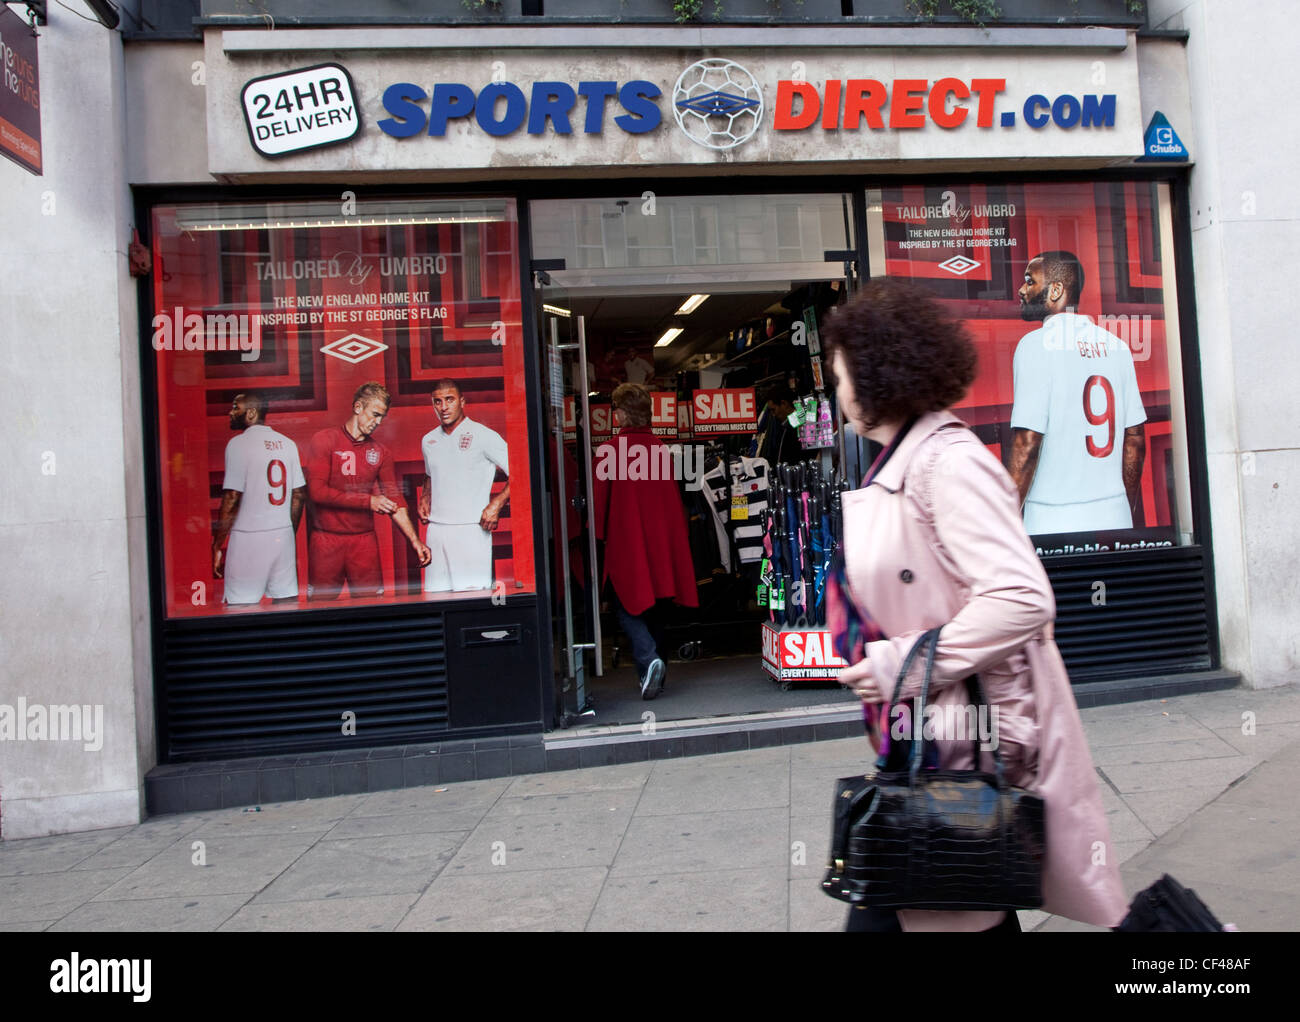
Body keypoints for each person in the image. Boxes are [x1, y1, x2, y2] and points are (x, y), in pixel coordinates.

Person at [823, 277, 1128, 933]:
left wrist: (897, 665)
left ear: (874, 376)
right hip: (925, 750)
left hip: (957, 759)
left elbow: (1021, 596)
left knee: (942, 907)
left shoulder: (945, 464)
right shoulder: (903, 463)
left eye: (841, 372)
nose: (837, 389)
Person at [1007, 250, 1147, 534]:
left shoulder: (1034, 345)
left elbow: (1027, 442)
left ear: (1056, 290)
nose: (1021, 290)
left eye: (1029, 281)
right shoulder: (1117, 346)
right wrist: (1122, 505)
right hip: (1114, 516)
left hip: (1052, 519)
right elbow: (1134, 440)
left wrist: (1003, 524)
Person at [592, 382, 698, 699]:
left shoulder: (609, 451)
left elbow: (600, 508)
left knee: (625, 605)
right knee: (656, 607)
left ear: (622, 413)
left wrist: (596, 539)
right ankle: (654, 673)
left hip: (627, 543)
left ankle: (649, 659)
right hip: (662, 543)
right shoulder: (661, 449)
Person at [303, 381, 431, 600]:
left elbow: (395, 500)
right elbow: (317, 492)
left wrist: (414, 540)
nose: (377, 422)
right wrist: (369, 501)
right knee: (319, 610)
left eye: (382, 417)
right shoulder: (324, 440)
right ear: (357, 407)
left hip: (363, 543)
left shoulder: (381, 452)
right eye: (374, 414)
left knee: (372, 609)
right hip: (326, 540)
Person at [212, 392, 306, 605]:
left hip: (249, 537)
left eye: (236, 407)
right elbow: (299, 494)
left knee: (241, 608)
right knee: (286, 605)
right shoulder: (288, 444)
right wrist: (288, 532)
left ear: (252, 412)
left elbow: (232, 497)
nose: (231, 412)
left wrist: (217, 544)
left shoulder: (238, 444)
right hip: (282, 536)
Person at [417, 379, 510, 593]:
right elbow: (431, 473)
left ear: (462, 401)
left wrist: (496, 504)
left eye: (449, 400)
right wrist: (425, 494)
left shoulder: (483, 435)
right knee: (436, 598)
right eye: (437, 401)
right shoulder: (428, 440)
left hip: (471, 529)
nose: (443, 407)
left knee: (472, 599)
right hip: (436, 530)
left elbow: (522, 469)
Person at [755, 382, 803, 466]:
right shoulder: (785, 425)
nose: (773, 415)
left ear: (784, 404)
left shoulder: (801, 425)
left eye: (774, 410)